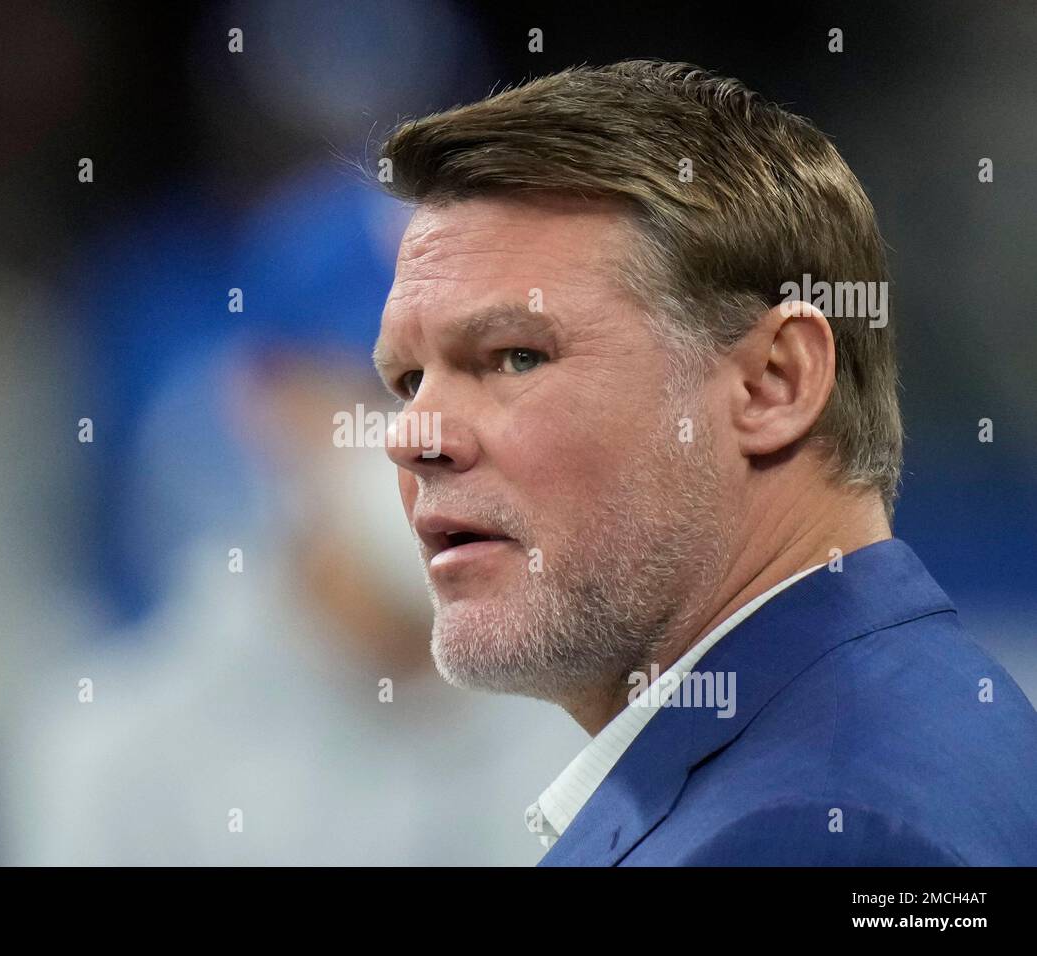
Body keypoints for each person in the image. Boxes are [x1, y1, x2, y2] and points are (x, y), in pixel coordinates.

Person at [370, 60, 1037, 865]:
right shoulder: (858, 746)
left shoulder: (817, 831)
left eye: (513, 356)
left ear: (772, 384)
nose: (412, 436)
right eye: (408, 381)